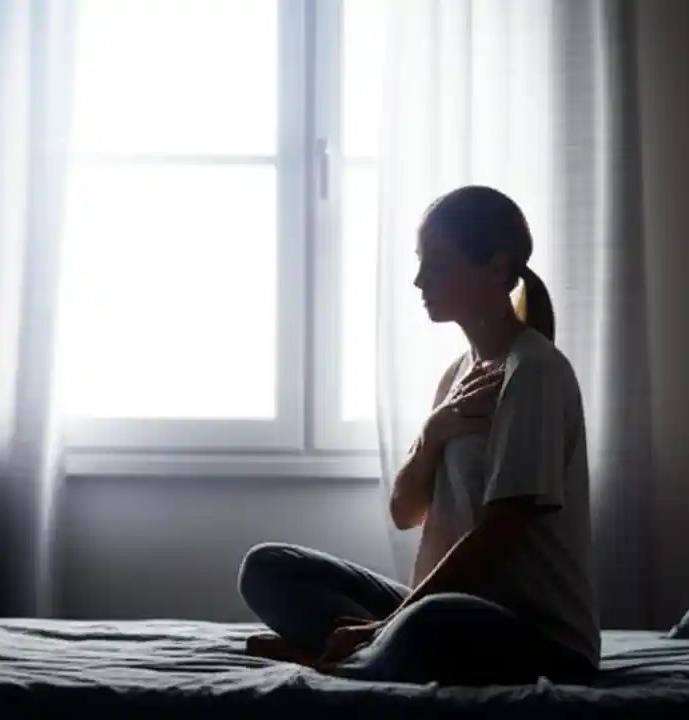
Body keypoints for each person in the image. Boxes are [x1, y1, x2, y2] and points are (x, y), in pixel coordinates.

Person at [237, 185, 599, 686]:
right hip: (443, 611)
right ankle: (364, 650)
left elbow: (500, 535)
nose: (418, 279)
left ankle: (334, 660)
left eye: (437, 264)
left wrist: (385, 625)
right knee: (268, 567)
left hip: (538, 641)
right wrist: (433, 432)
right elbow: (404, 512)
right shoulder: (457, 375)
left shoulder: (532, 372)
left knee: (434, 621)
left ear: (496, 268)